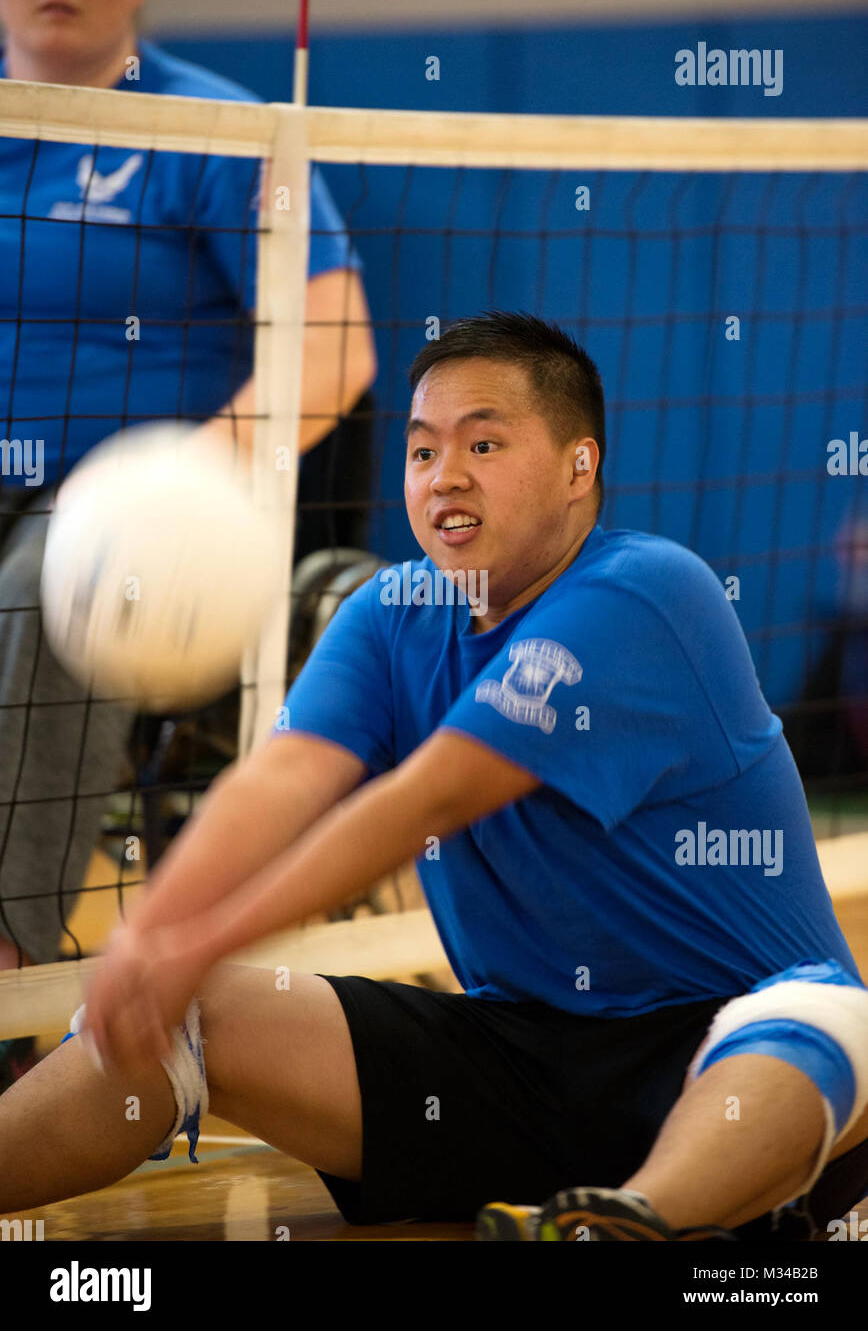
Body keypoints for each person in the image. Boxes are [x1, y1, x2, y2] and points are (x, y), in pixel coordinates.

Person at [1, 311, 867, 1242]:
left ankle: (632, 1225)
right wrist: (159, 938)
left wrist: (198, 934)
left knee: (837, 1012)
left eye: (483, 443)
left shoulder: (649, 591)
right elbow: (281, 782)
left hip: (724, 1057)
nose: (444, 476)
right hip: (515, 1065)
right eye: (421, 452)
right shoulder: (389, 612)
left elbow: (433, 794)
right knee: (185, 1011)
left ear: (581, 467)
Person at [0, 0, 378, 1071]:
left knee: (48, 589)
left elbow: (338, 337)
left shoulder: (210, 130)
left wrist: (181, 479)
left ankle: (9, 978)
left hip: (143, 515)